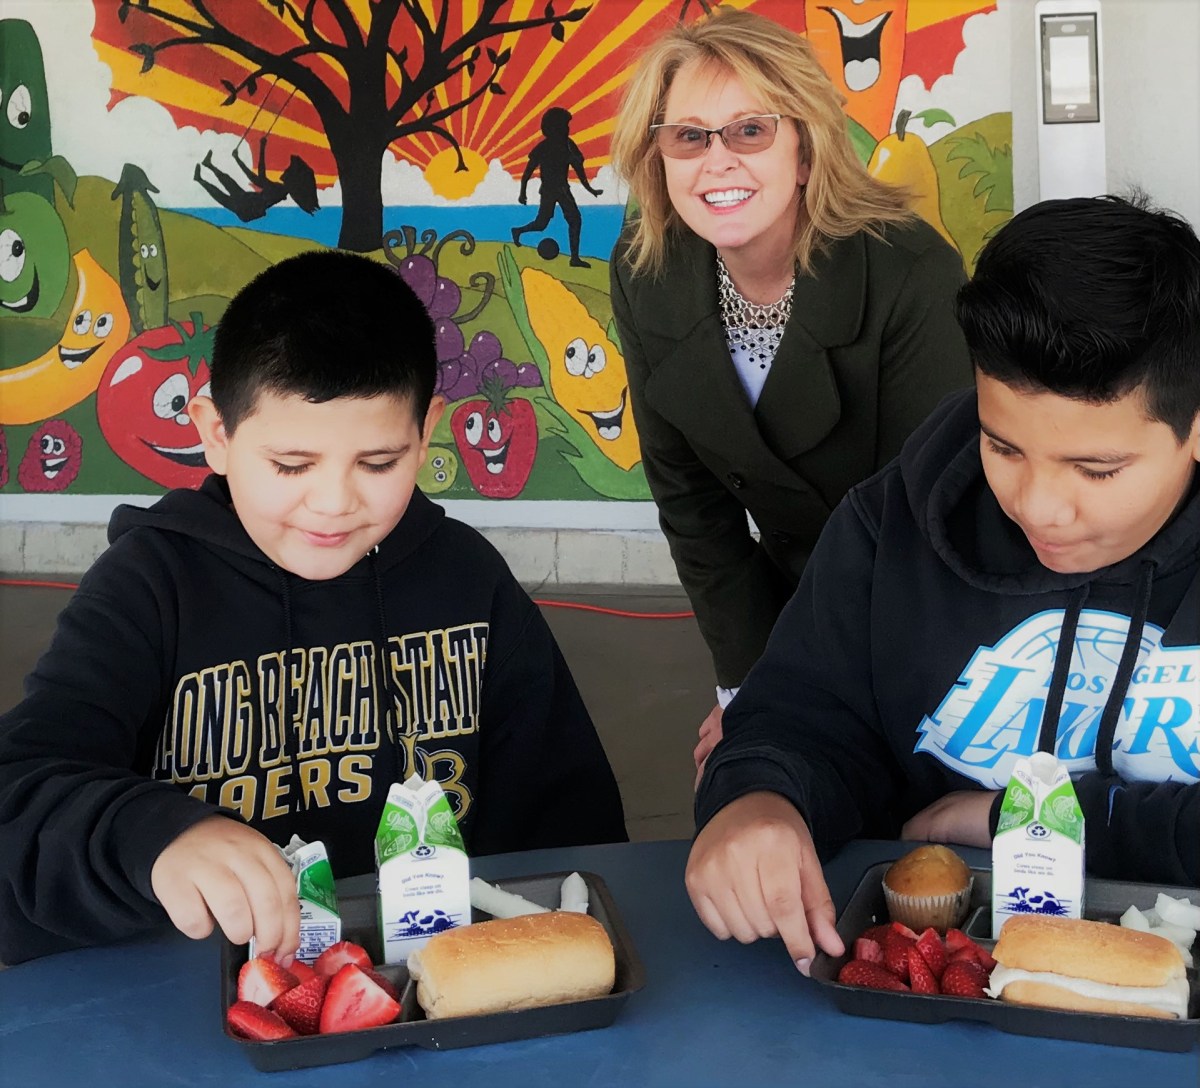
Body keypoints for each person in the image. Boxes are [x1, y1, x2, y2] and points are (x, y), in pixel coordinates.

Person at [0, 250, 626, 966]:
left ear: (426, 435)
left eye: (379, 463)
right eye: (291, 465)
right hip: (201, 1007)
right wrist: (156, 836)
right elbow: (22, 798)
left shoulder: (469, 582)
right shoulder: (150, 586)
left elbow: (575, 842)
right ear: (215, 434)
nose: (332, 503)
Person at [685, 193, 1200, 975]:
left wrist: (1012, 820)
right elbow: (802, 716)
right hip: (931, 990)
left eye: (1097, 469)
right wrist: (759, 799)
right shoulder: (894, 522)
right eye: (1004, 447)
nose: (1038, 506)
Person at [608, 8, 972, 775]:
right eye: (689, 136)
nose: (717, 162)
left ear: (805, 149)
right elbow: (691, 504)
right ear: (660, 155)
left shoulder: (912, 275)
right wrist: (747, 690)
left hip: (925, 604)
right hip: (782, 601)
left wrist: (806, 703)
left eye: (750, 131)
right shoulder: (646, 270)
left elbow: (926, 526)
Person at [512, 106, 604, 267]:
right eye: (564, 126)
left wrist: (590, 190)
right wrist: (522, 193)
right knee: (541, 224)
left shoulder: (569, 145)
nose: (567, 129)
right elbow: (528, 172)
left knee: (575, 220)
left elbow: (579, 170)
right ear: (553, 128)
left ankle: (574, 258)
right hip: (548, 191)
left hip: (563, 190)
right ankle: (518, 231)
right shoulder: (543, 147)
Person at [194, 137, 319, 223]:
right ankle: (208, 166)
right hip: (249, 201)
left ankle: (201, 178)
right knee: (228, 183)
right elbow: (256, 178)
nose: (285, 170)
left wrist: (262, 147)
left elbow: (259, 176)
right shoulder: (281, 189)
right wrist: (237, 159)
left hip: (248, 208)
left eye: (288, 169)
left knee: (221, 194)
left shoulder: (279, 190)